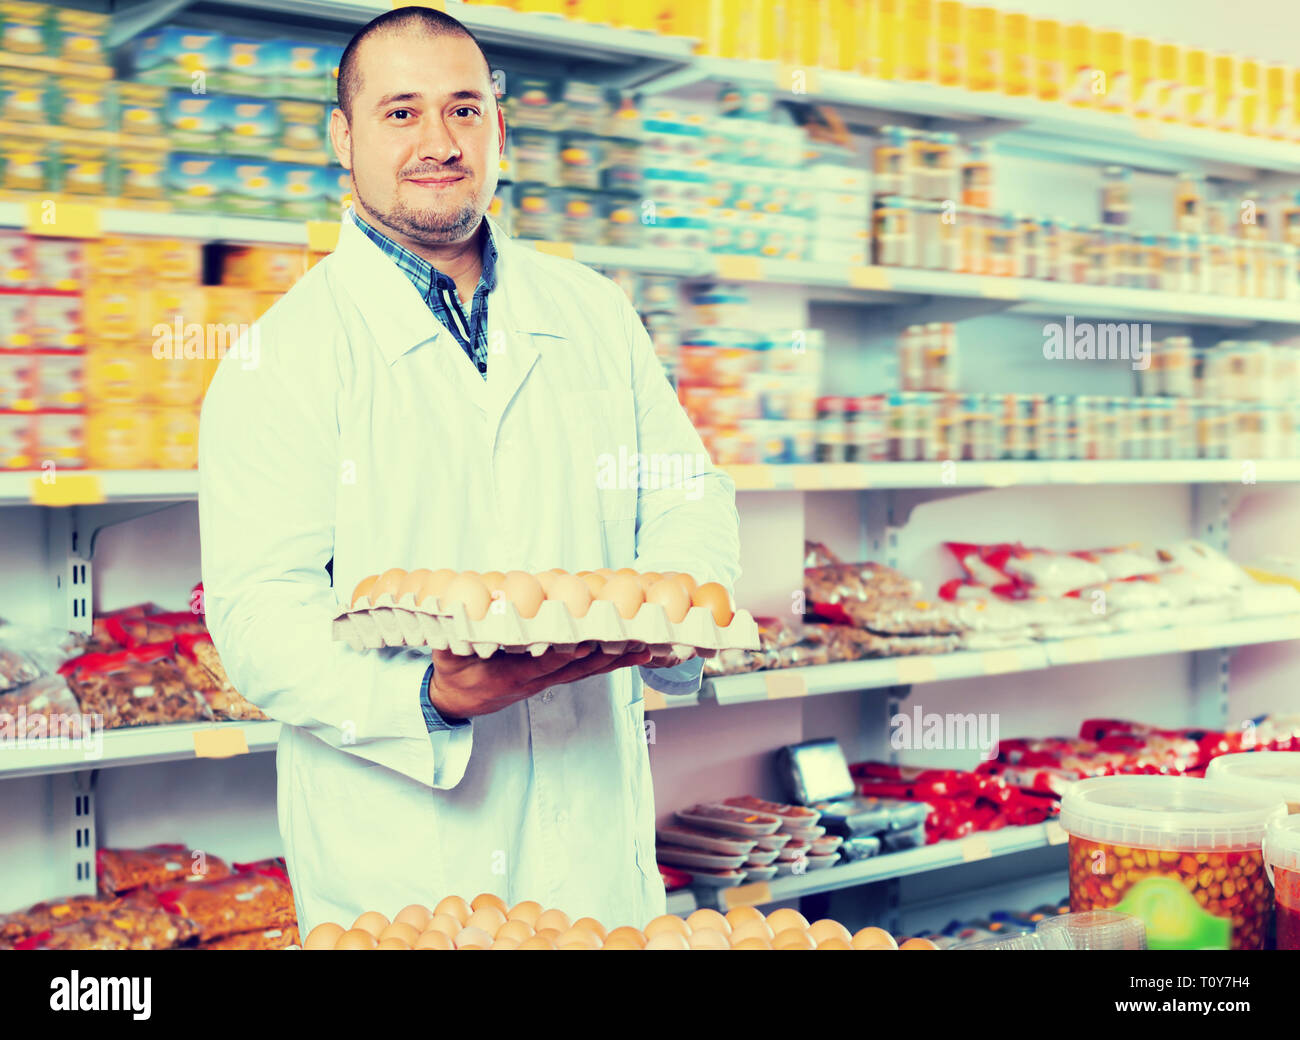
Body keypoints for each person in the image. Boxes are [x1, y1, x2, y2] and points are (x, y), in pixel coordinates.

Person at [198, 6, 741, 932]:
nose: (439, 141)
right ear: (345, 137)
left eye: (464, 110)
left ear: (500, 129)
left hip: (596, 849)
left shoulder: (592, 311)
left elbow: (685, 492)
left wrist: (678, 613)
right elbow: (256, 613)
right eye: (400, 113)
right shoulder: (283, 353)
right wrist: (428, 693)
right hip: (406, 857)